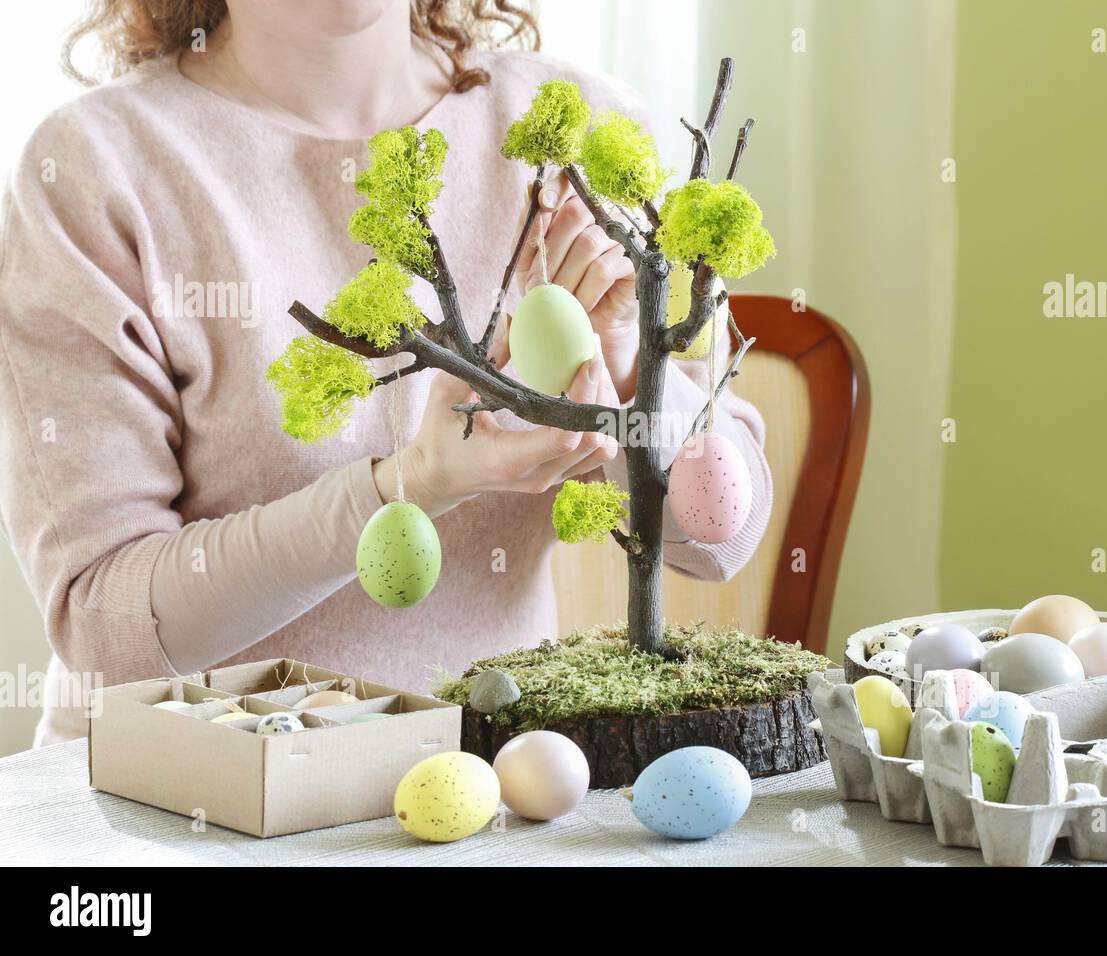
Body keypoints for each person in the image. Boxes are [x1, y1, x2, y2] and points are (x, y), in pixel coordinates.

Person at [0, 0, 772, 747]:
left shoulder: (568, 126)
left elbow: (719, 542)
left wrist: (633, 381)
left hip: (488, 795)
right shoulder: (95, 171)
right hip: (182, 809)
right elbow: (105, 632)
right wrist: (409, 487)